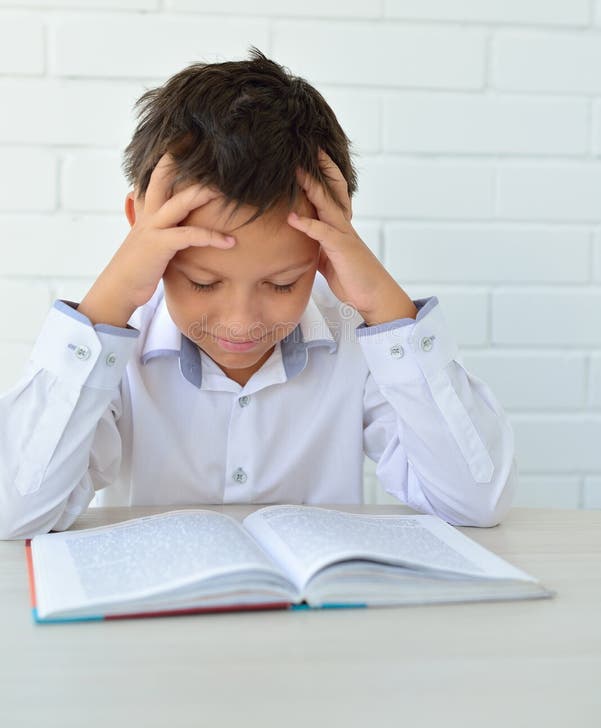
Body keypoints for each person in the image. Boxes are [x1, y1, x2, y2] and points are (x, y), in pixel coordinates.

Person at [0, 47, 516, 539]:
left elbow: (473, 502)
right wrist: (108, 302)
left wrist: (386, 308)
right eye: (203, 282)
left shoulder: (359, 345)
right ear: (144, 236)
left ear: (326, 245)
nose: (241, 323)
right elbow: (14, 512)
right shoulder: (113, 357)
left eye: (282, 283)